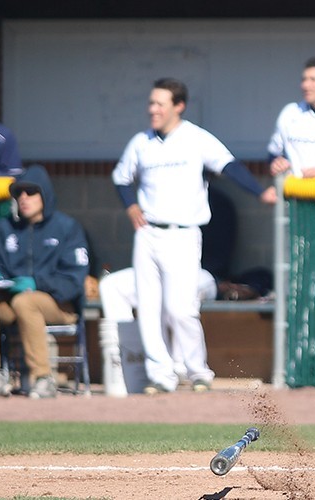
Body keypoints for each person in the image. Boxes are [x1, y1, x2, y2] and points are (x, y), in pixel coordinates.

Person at [112, 77, 275, 395]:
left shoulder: (196, 138)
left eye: (160, 103)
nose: (153, 109)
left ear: (179, 106)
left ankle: (197, 371)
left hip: (183, 234)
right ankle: (161, 375)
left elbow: (229, 165)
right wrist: (130, 205)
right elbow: (120, 178)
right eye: (151, 103)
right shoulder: (141, 142)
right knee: (149, 307)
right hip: (147, 234)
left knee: (180, 308)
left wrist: (259, 192)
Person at [0, 165, 89, 399]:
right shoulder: (5, 228)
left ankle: (43, 378)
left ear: (44, 194)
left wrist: (37, 282)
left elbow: (74, 280)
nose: (23, 198)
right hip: (13, 303)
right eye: (18, 193)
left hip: (59, 305)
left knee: (27, 302)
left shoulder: (67, 228)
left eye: (30, 192)